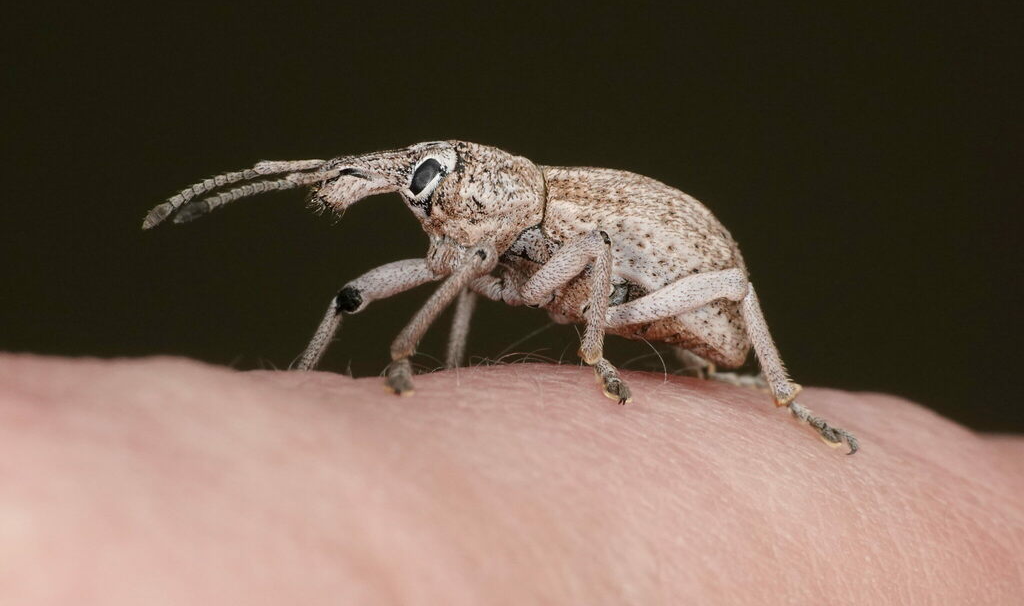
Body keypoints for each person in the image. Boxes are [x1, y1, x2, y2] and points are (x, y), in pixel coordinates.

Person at [2, 354, 1021, 604]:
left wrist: (596, 350)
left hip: (684, 281)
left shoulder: (554, 215)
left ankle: (787, 399)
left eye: (433, 179)